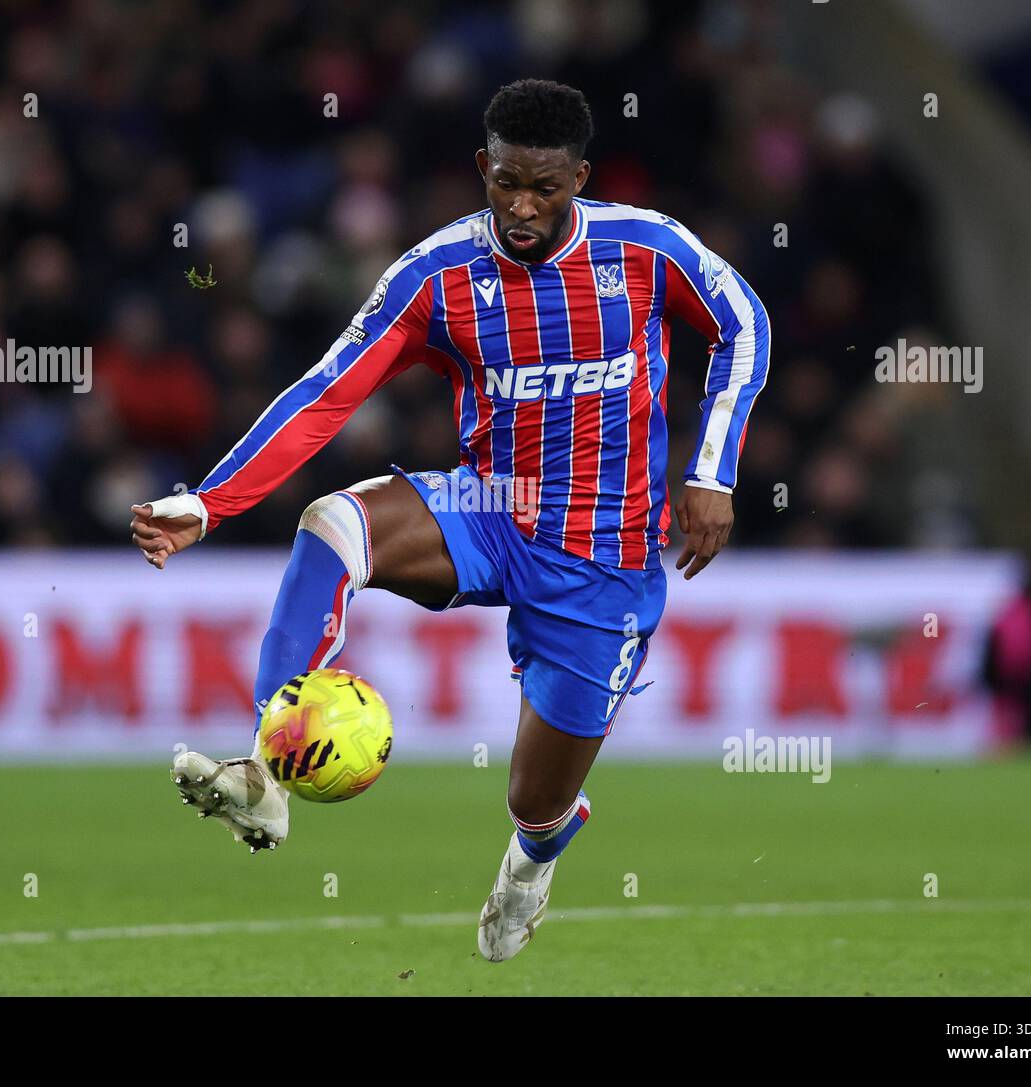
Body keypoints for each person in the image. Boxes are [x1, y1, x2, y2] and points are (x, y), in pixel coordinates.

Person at [130, 79, 770, 961]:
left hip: (605, 558)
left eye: (545, 187)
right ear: (482, 167)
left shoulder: (646, 249)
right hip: (490, 508)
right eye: (505, 181)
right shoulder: (437, 275)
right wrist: (209, 499)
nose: (521, 204)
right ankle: (264, 767)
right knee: (332, 523)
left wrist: (713, 470)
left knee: (534, 800)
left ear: (580, 178)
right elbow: (327, 391)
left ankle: (532, 861)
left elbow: (745, 321)